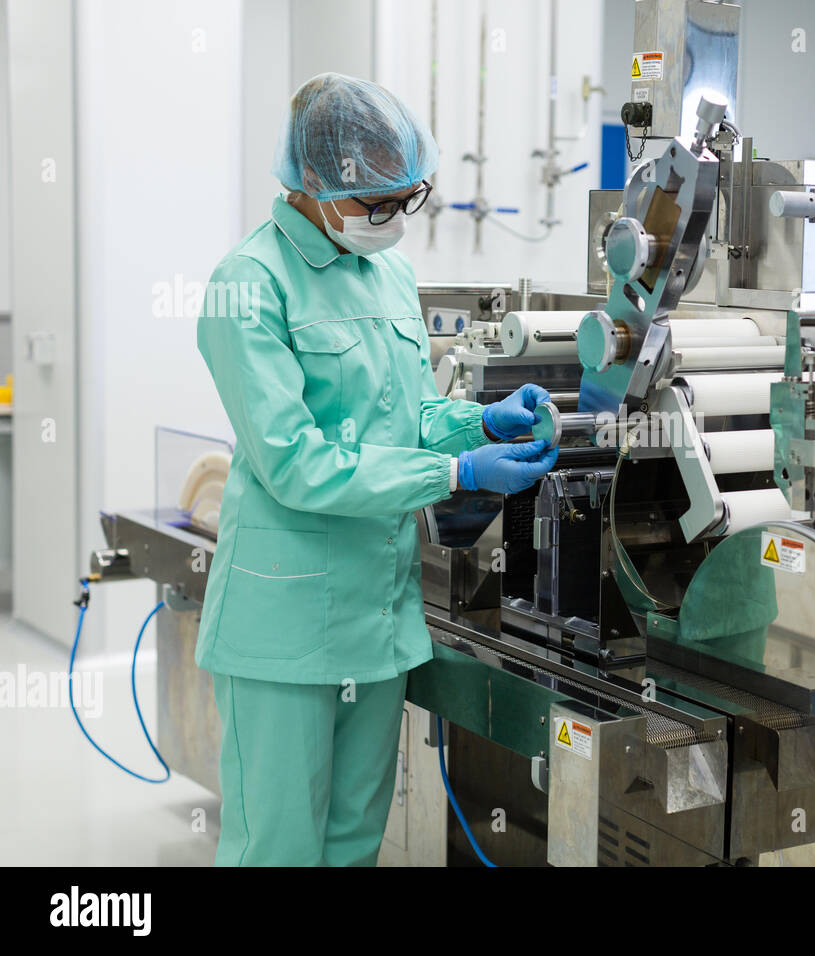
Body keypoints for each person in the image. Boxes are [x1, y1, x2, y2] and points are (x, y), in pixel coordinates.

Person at [194, 73, 555, 866]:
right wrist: (454, 474)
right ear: (313, 181)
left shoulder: (387, 272)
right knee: (279, 848)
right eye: (378, 204)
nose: (393, 221)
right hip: (283, 627)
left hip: (377, 619)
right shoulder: (247, 288)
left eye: (408, 199)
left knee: (356, 843)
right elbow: (297, 465)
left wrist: (478, 421)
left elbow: (413, 414)